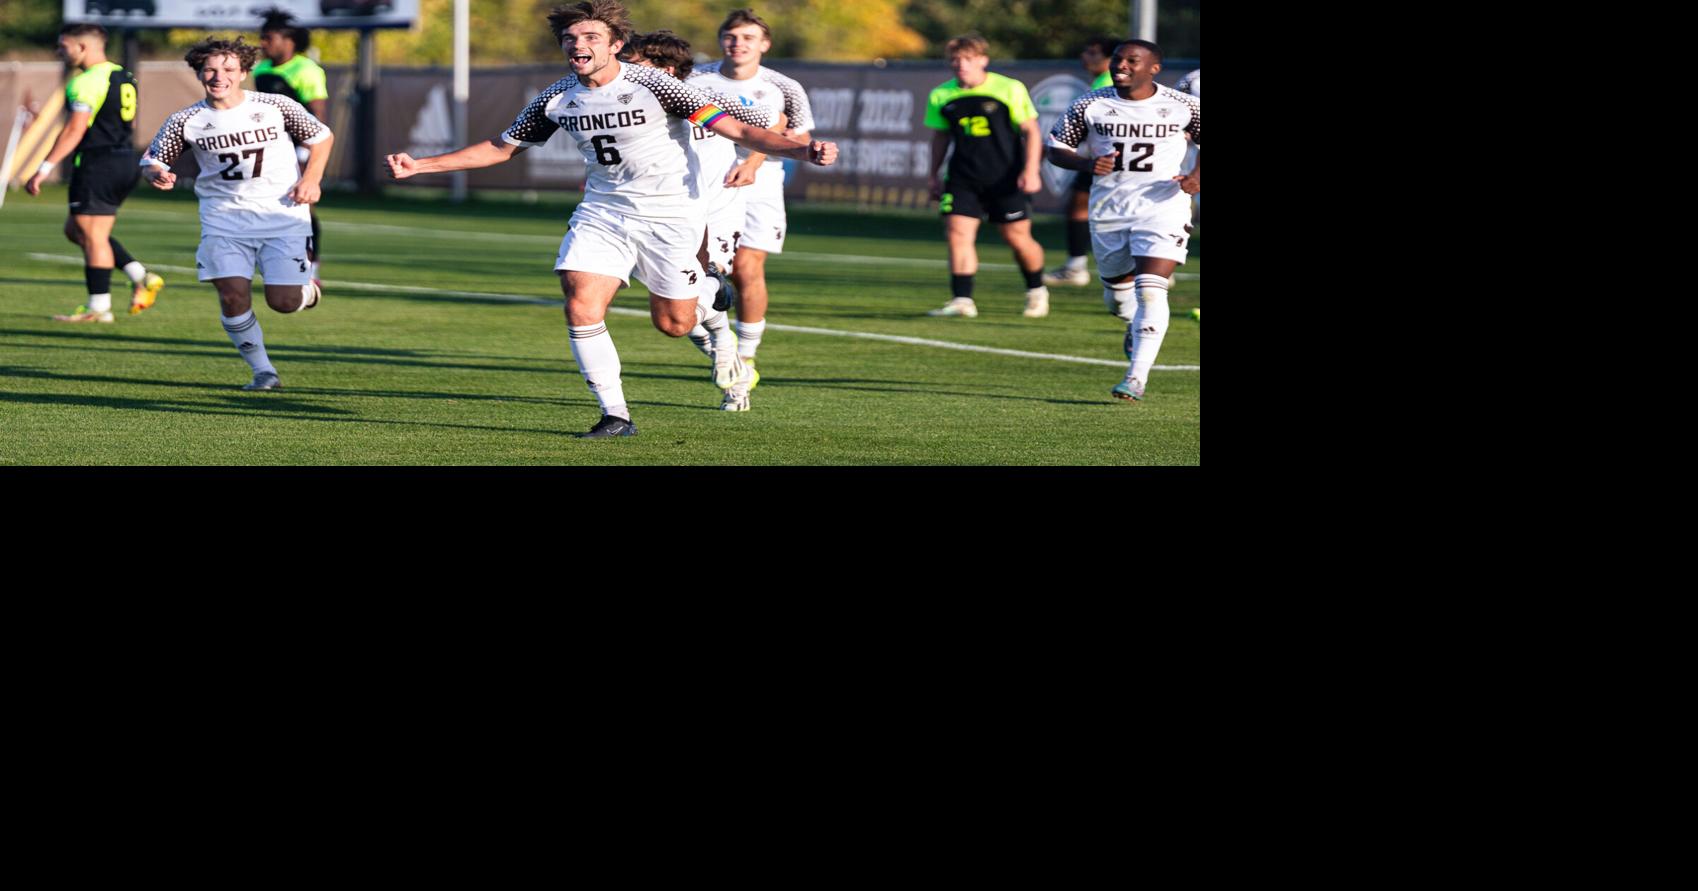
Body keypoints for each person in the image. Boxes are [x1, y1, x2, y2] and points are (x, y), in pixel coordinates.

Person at [384, 1, 837, 438]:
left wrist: (803, 151)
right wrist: (421, 166)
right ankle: (614, 414)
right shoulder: (556, 96)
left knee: (674, 324)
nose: (578, 44)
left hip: (670, 216)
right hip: (603, 211)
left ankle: (709, 294)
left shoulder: (657, 84)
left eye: (590, 36)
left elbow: (737, 129)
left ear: (616, 44)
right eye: (570, 38)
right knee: (580, 300)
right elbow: (501, 149)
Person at [139, 37, 333, 391]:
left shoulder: (276, 106)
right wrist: (156, 174)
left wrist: (311, 179)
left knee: (284, 302)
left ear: (243, 72)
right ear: (199, 73)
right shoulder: (186, 120)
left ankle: (308, 293)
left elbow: (321, 137)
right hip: (223, 219)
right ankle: (263, 372)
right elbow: (153, 159)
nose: (219, 77)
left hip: (282, 216)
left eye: (229, 69)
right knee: (231, 295)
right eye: (210, 69)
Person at [1045, 39, 1199, 402]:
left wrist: (1196, 176)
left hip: (1164, 206)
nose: (1121, 66)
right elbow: (1056, 147)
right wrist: (1086, 163)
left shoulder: (1184, 105)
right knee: (1117, 297)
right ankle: (1132, 322)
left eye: (1132, 60)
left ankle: (1136, 378)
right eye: (1118, 59)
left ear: (1154, 69)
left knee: (1151, 288)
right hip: (1110, 210)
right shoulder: (1090, 104)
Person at [623, 29, 760, 411]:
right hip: (659, 212)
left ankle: (732, 373)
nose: (626, 73)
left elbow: (770, 121)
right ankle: (726, 348)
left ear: (665, 69)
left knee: (700, 288)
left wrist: (752, 162)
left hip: (716, 207)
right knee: (674, 311)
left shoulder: (704, 93)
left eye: (634, 65)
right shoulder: (629, 102)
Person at [688, 8, 814, 377]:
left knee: (746, 269)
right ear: (720, 40)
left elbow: (800, 138)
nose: (738, 44)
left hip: (761, 185)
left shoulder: (784, 87)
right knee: (698, 269)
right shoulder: (695, 79)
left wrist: (754, 161)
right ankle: (714, 342)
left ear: (765, 44)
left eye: (748, 37)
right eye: (731, 36)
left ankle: (746, 357)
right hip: (706, 183)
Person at [24, 22, 164, 323]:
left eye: (63, 46)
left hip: (98, 162)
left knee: (93, 236)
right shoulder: (123, 75)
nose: (59, 51)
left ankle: (99, 308)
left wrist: (43, 168)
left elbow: (75, 130)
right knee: (75, 231)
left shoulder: (85, 81)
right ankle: (141, 276)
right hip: (124, 159)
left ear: (82, 47)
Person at [923, 34, 1052, 320]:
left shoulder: (1009, 88)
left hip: (1005, 177)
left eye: (968, 59)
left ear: (983, 60)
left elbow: (1031, 131)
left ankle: (1036, 290)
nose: (961, 65)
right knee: (957, 233)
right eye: (955, 60)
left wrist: (1031, 170)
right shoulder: (941, 95)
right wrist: (933, 174)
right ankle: (962, 300)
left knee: (1017, 237)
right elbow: (940, 136)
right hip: (962, 177)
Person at [254, 8, 329, 285]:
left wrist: (307, 152)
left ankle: (311, 270)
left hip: (299, 149)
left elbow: (318, 114)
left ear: (288, 40)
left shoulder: (306, 70)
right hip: (269, 150)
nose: (263, 43)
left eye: (268, 37)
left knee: (303, 208)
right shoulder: (261, 70)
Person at [1043, 36, 1119, 288]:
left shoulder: (1109, 82)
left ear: (1110, 58)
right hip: (1107, 156)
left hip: (1108, 158)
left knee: (1084, 206)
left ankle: (1076, 266)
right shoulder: (1102, 81)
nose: (1085, 57)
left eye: (1093, 52)